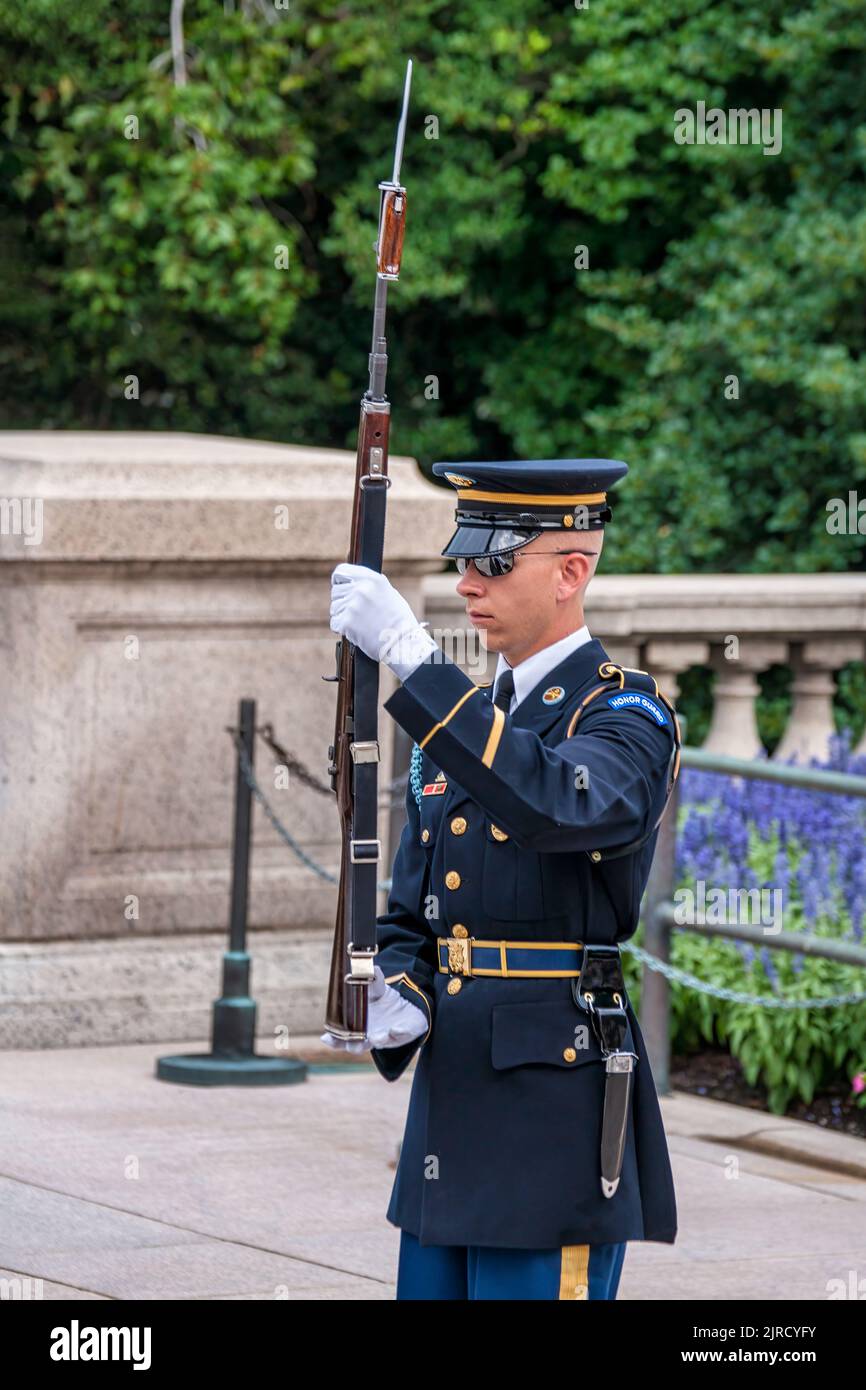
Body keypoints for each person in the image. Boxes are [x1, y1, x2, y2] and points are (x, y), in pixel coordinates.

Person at [324, 458, 680, 1300]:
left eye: (493, 561)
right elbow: (416, 907)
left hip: (551, 1101)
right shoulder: (464, 728)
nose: (467, 582)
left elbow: (556, 803)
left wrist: (415, 660)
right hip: (452, 1106)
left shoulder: (624, 715)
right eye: (464, 559)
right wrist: (395, 992)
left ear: (571, 571)